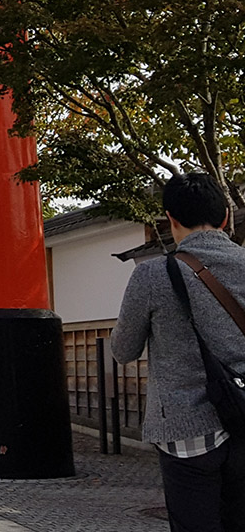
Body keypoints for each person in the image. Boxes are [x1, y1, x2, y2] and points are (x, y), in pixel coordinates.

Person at [112, 172, 245, 531]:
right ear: (225, 218)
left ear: (170, 219)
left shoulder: (152, 276)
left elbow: (123, 351)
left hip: (187, 429)